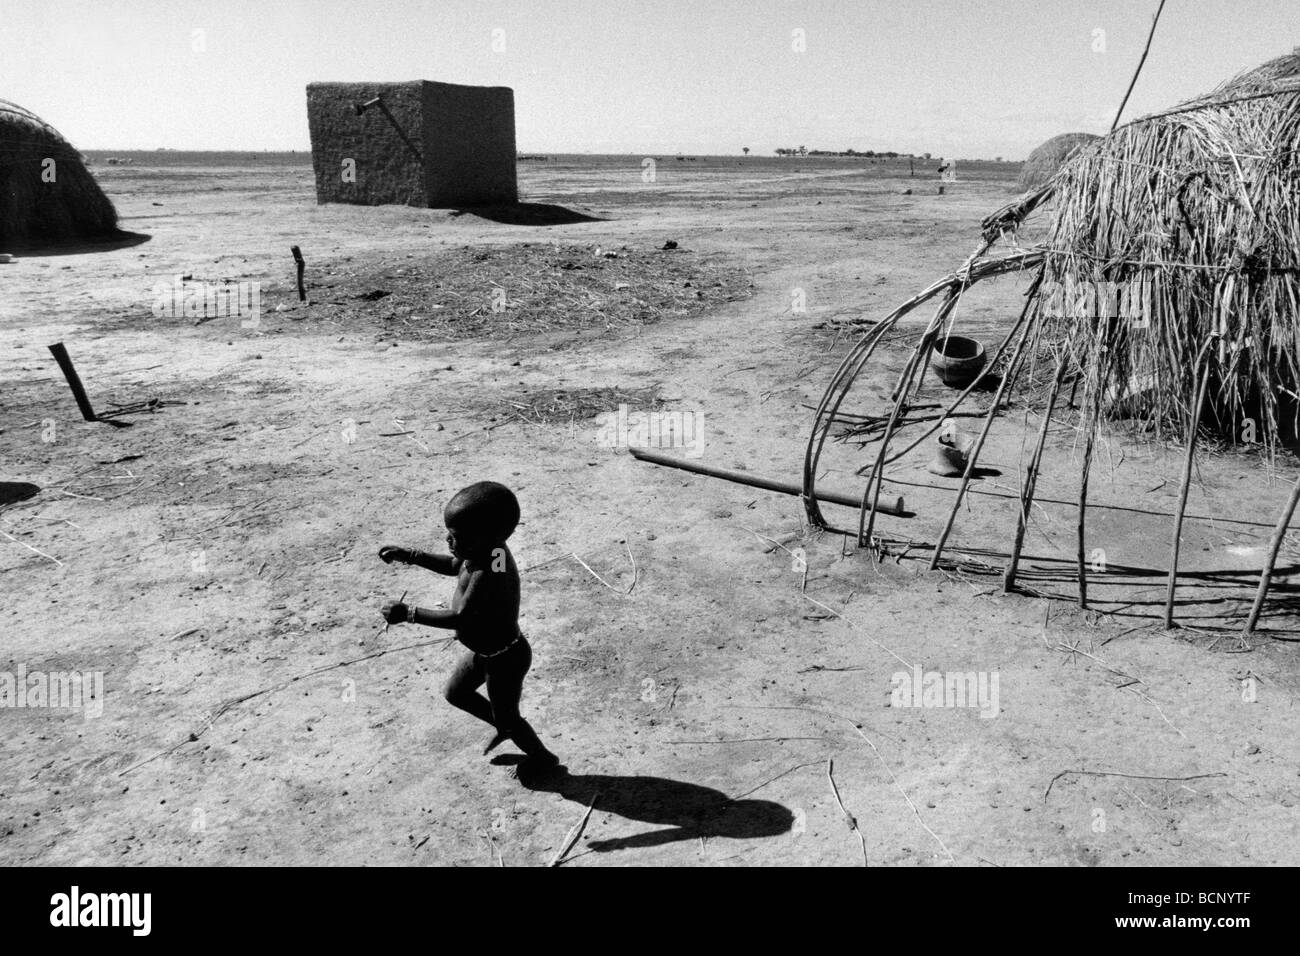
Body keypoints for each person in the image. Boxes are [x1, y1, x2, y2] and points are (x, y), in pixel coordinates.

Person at [379, 481, 559, 775]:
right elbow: (454, 564)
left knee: (509, 716)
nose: (450, 541)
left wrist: (409, 613)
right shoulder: (487, 550)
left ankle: (543, 757)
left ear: (495, 536)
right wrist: (411, 555)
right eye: (450, 533)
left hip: (504, 659)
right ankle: (505, 725)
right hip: (486, 652)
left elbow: (460, 618)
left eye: (458, 537)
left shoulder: (492, 570)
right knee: (456, 693)